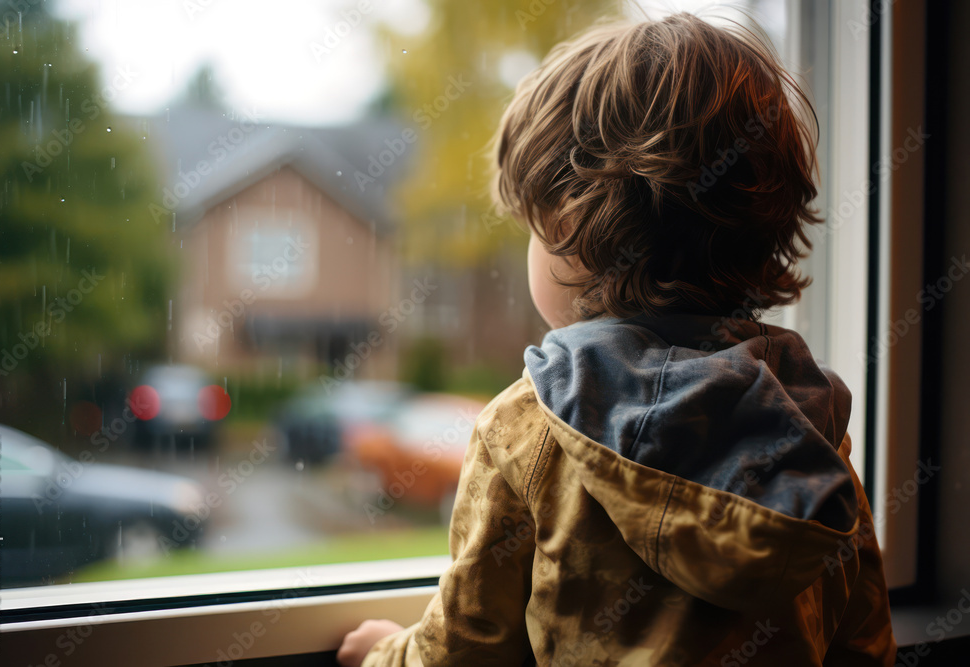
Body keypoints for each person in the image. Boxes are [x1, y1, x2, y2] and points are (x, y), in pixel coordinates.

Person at [337, 12, 896, 667]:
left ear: (569, 228)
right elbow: (864, 641)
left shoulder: (530, 427)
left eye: (532, 226)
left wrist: (382, 653)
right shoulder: (805, 422)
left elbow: (465, 651)